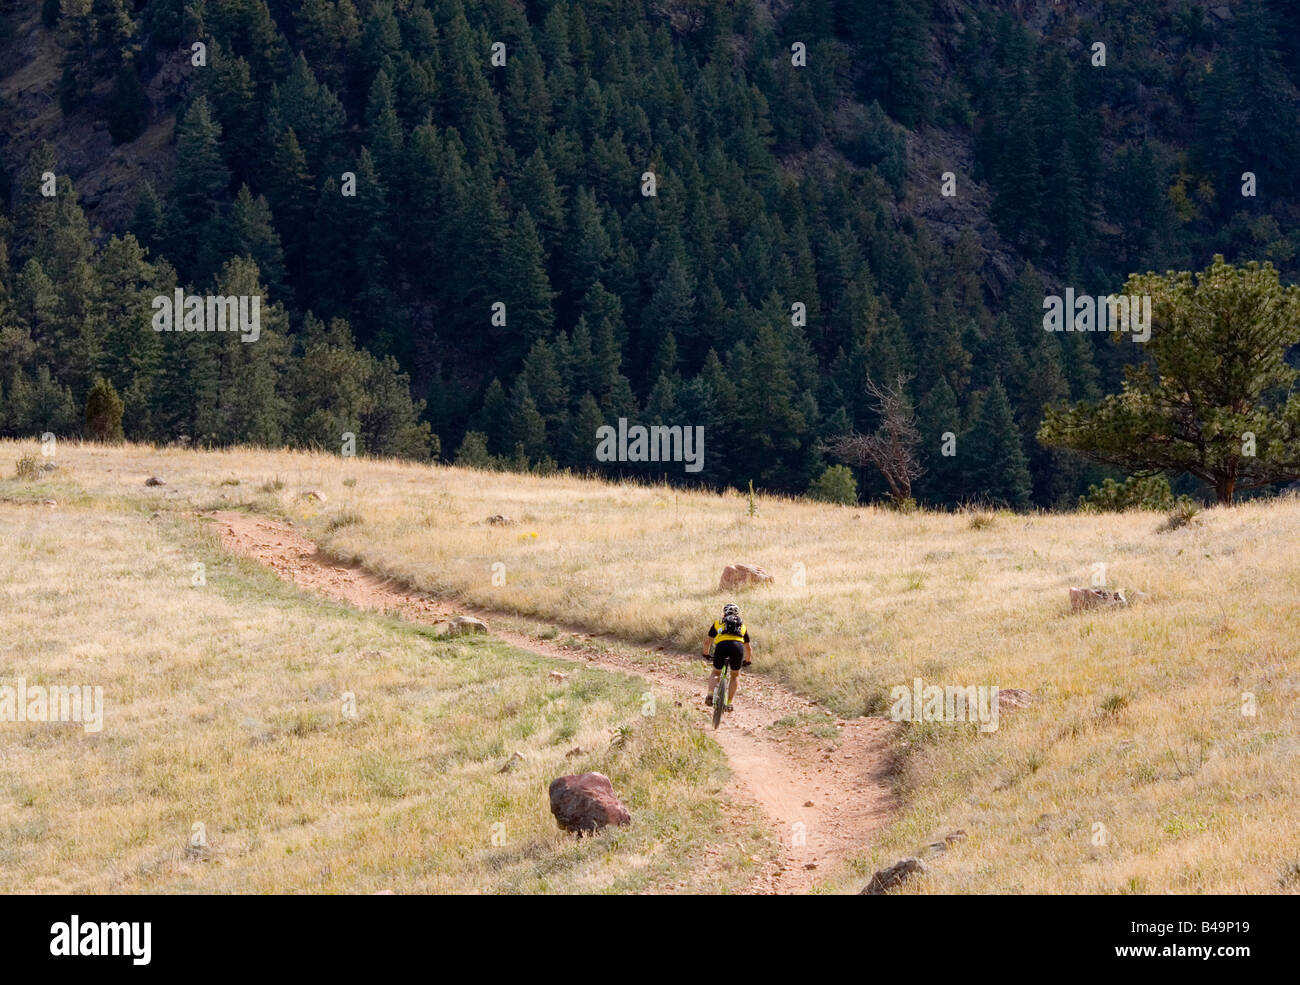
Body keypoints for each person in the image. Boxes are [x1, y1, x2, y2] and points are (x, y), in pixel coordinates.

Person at [702, 603, 752, 712]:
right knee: (734, 675)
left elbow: (707, 642)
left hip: (722, 646)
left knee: (716, 672)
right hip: (738, 648)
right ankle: (729, 703)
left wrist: (706, 654)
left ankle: (710, 694)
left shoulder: (718, 623)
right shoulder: (742, 626)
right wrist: (748, 661)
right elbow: (748, 647)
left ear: (724, 613)